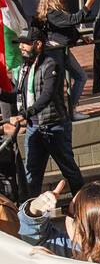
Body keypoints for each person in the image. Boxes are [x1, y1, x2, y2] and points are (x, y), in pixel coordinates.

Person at [4, 26, 83, 195]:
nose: (20, 47)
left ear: (38, 44)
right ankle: (31, 214)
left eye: (25, 44)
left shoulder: (51, 65)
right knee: (32, 174)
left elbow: (46, 96)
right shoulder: (25, 68)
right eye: (20, 44)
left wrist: (24, 115)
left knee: (69, 169)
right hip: (34, 128)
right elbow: (18, 95)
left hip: (55, 127)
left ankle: (83, 204)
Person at [33, 0, 95, 120]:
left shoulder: (57, 10)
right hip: (55, 52)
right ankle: (64, 113)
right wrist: (88, 4)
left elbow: (68, 27)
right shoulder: (51, 12)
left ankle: (69, 111)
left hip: (62, 50)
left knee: (79, 77)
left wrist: (80, 37)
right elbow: (74, 20)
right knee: (59, 82)